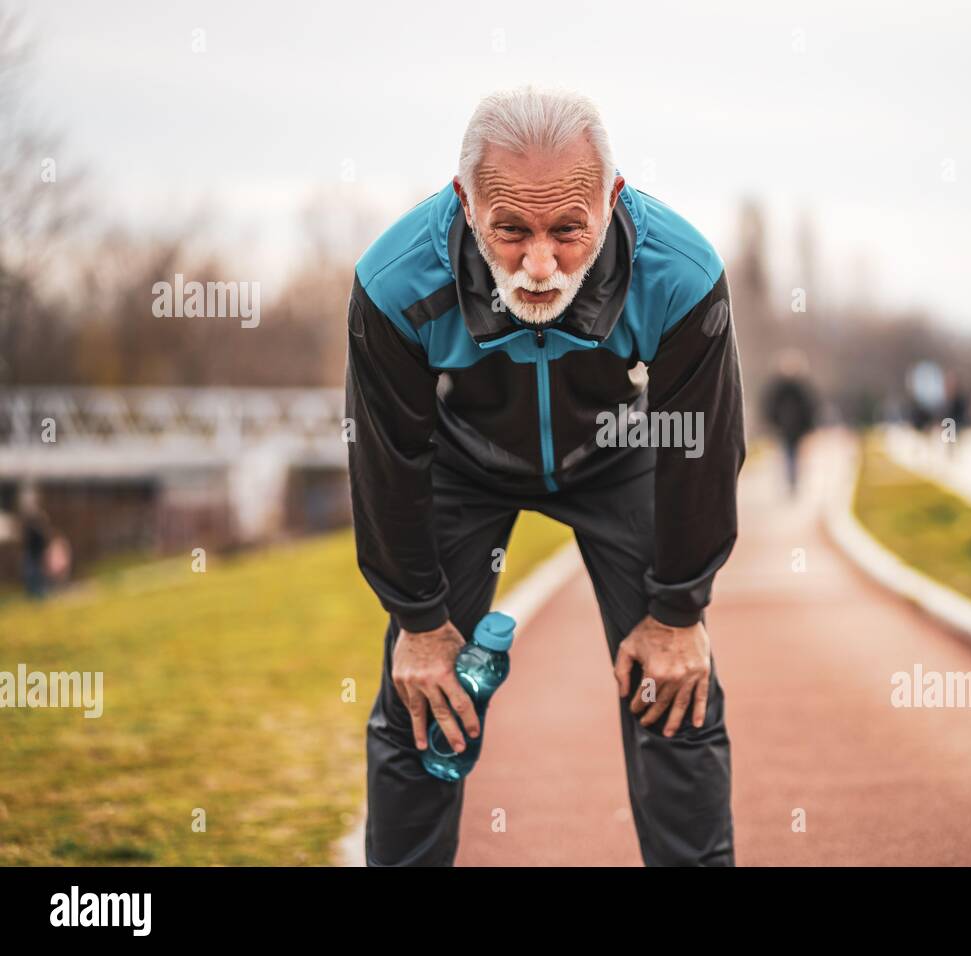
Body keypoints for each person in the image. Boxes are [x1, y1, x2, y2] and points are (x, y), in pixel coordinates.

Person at [345, 87, 745, 867]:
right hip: (463, 459)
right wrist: (420, 624)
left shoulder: (682, 271)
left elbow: (701, 449)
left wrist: (678, 610)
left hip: (616, 453)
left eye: (569, 231)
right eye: (510, 231)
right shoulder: (395, 283)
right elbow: (386, 461)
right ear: (464, 203)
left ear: (613, 198)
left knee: (675, 690)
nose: (537, 265)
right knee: (420, 696)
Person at [762, 350, 817, 495]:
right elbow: (770, 406)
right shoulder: (780, 388)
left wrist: (808, 426)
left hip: (796, 429)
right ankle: (790, 479)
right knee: (788, 454)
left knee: (792, 454)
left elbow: (809, 408)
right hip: (784, 428)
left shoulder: (799, 388)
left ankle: (792, 479)